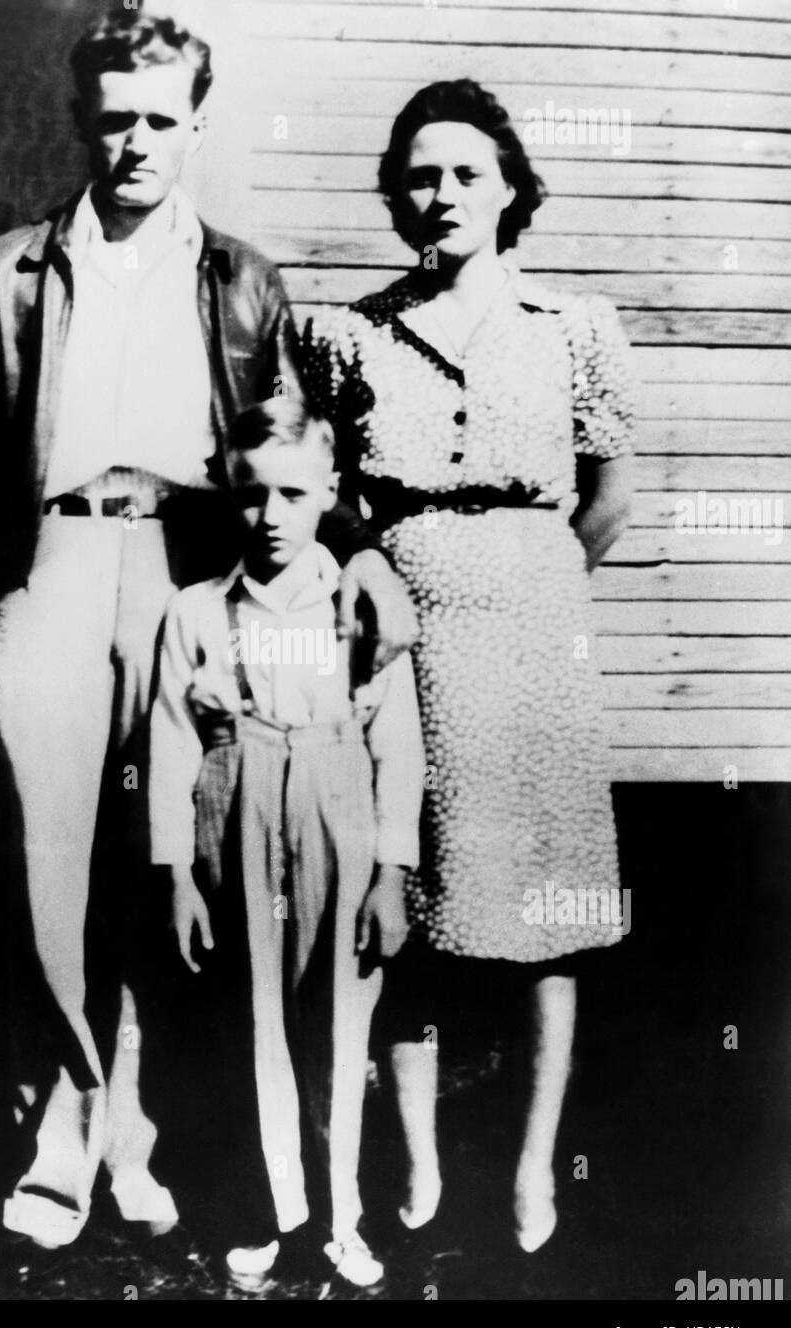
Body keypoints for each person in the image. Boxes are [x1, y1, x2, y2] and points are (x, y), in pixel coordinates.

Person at [0, 11, 416, 1260]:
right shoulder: (7, 271)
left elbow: (295, 447)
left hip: (183, 575)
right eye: (112, 119)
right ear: (79, 123)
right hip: (46, 567)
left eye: (159, 118)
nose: (135, 141)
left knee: (161, 865)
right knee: (47, 866)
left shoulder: (242, 278)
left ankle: (139, 1129)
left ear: (195, 123)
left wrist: (356, 550)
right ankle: (65, 1119)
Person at [302, 79, 636, 1255]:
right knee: (411, 895)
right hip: (401, 641)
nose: (437, 194)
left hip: (536, 638)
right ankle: (421, 1161)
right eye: (418, 174)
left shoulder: (572, 326)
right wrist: (369, 560)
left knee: (547, 908)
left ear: (509, 191)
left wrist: (531, 577)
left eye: (463, 173)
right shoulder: (343, 332)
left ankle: (535, 1167)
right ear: (395, 192)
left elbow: (606, 497)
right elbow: (312, 496)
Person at [148, 399, 424, 1289]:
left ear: (329, 496)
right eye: (248, 495)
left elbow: (398, 745)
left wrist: (390, 870)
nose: (268, 517)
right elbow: (168, 745)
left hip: (336, 809)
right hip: (237, 817)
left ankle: (341, 1216)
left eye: (291, 495)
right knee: (253, 1016)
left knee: (341, 1023)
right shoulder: (195, 612)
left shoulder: (361, 614)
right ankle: (274, 1213)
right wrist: (177, 874)